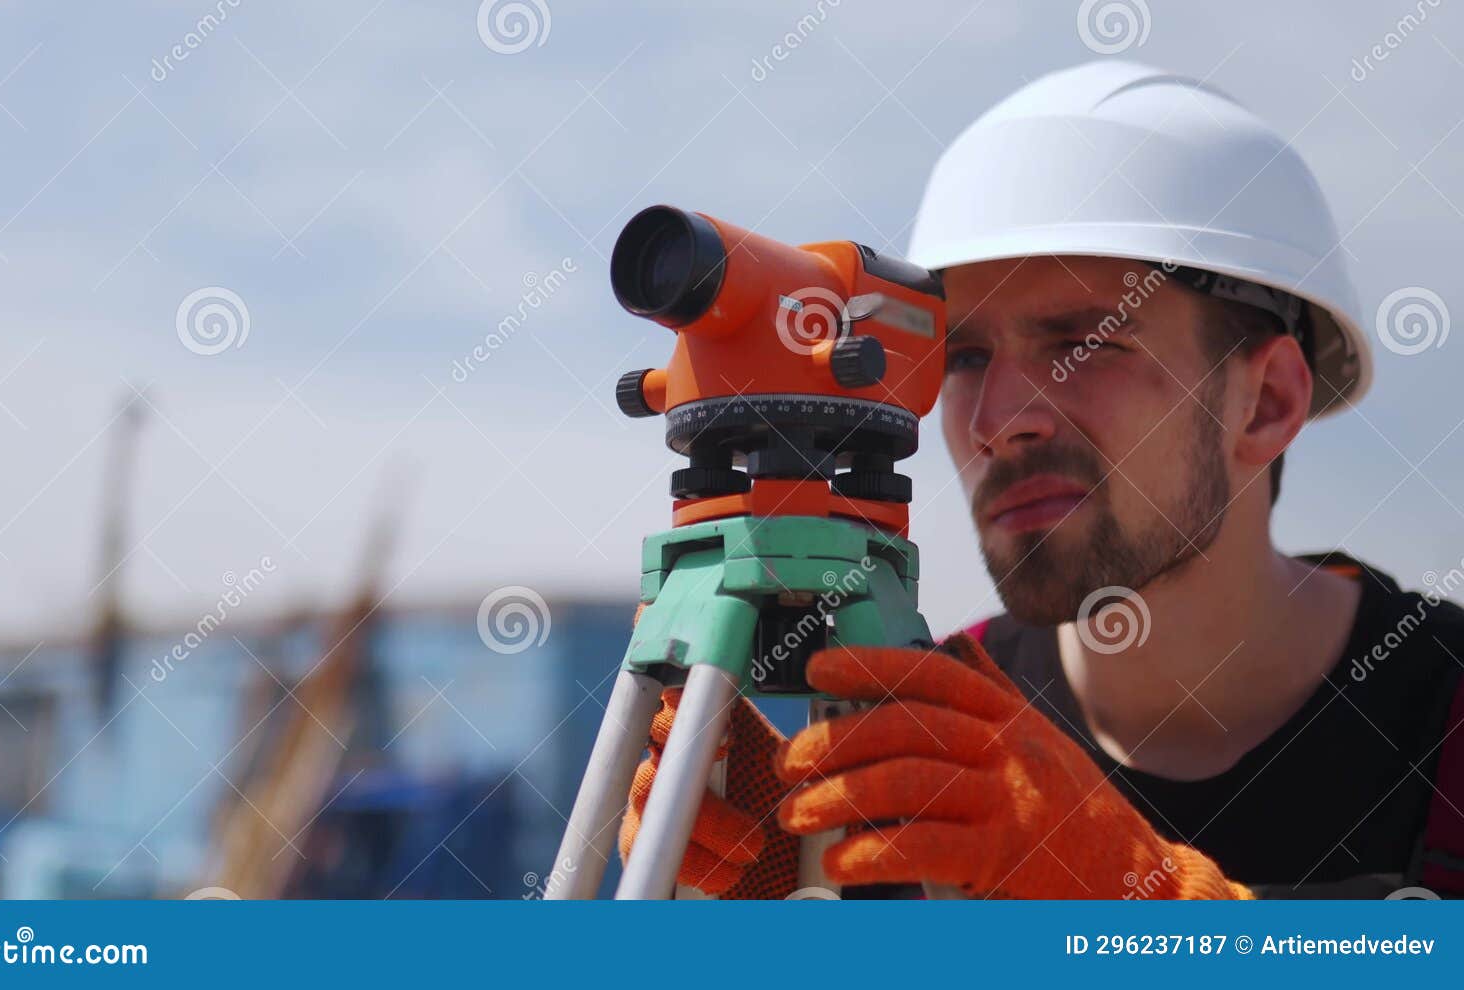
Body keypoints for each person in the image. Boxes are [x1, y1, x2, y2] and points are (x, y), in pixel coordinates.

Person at [619, 62, 1464, 899]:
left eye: (1082, 344)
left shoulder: (1443, 711)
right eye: (964, 357)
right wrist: (795, 897)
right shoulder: (938, 723)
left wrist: (1139, 900)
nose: (998, 419)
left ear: (1267, 402)